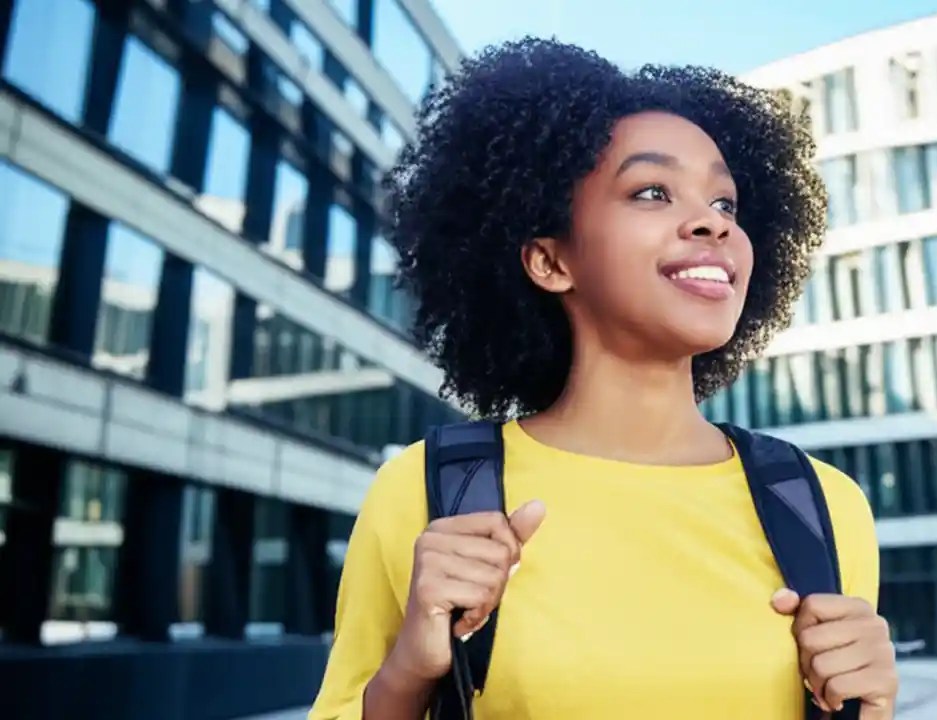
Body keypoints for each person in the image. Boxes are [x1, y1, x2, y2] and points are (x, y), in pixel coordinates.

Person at [309, 37, 895, 720]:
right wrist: (410, 670)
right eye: (652, 191)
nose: (713, 222)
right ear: (551, 261)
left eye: (727, 204)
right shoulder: (430, 491)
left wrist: (863, 708)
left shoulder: (822, 508)